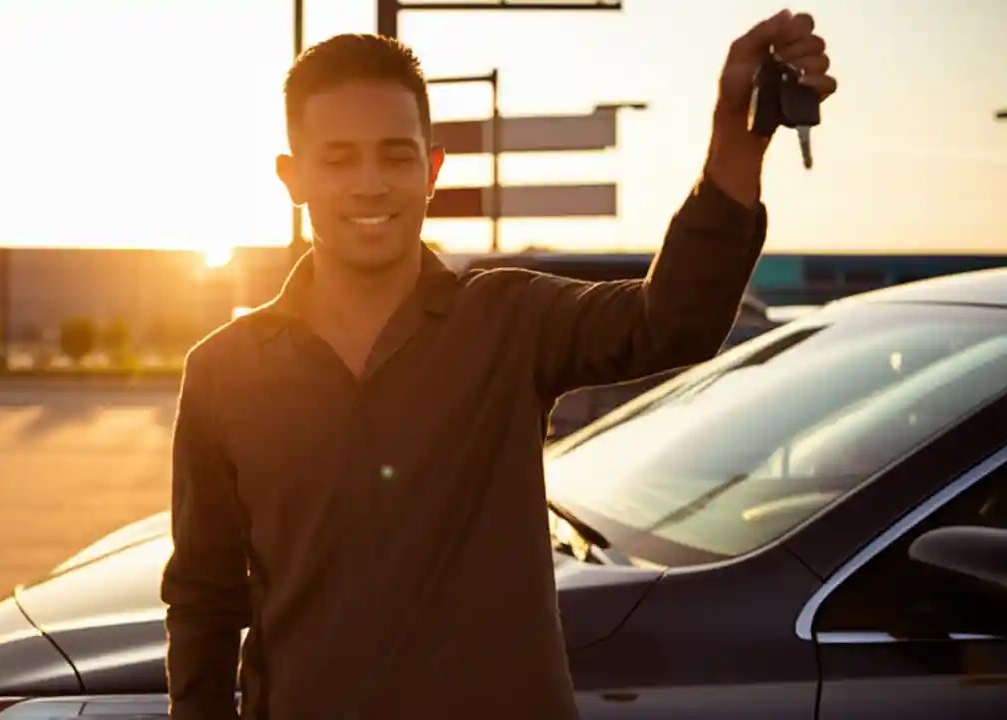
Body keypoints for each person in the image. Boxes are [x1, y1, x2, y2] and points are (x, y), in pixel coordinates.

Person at [162, 9, 836, 720]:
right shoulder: (223, 372)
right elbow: (203, 599)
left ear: (432, 170)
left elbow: (671, 322)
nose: (369, 183)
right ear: (292, 177)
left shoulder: (510, 322)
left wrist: (737, 134)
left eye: (395, 155)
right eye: (338, 158)